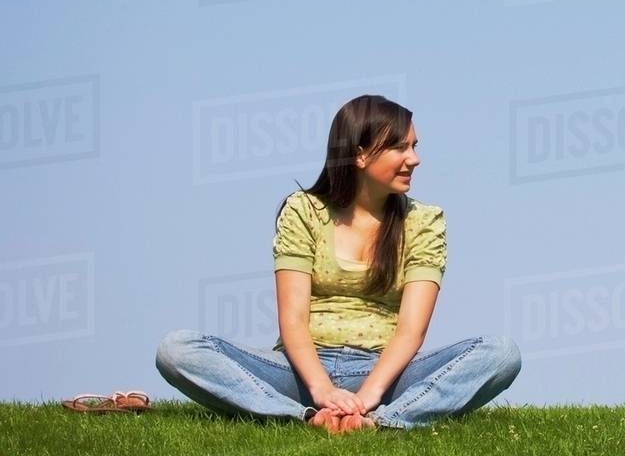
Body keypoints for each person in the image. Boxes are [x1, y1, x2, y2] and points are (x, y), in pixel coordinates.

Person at [154, 95, 521, 433]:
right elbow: (292, 320)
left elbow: (412, 329)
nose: (414, 158)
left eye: (414, 146)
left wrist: (366, 398)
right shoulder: (303, 211)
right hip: (299, 372)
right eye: (400, 147)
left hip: (387, 372)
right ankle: (303, 416)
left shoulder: (424, 221)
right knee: (176, 349)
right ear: (360, 155)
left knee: (501, 354)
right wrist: (323, 391)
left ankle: (383, 420)